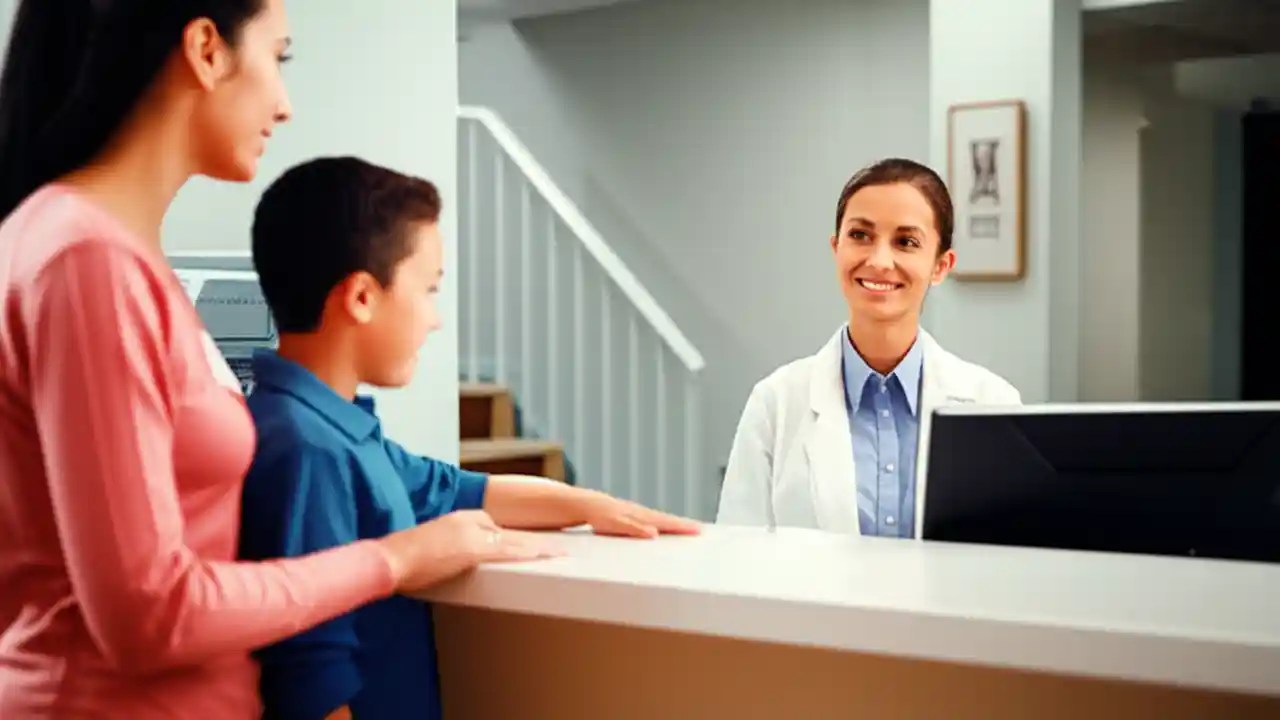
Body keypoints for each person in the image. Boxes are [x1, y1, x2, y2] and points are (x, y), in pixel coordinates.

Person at [0, 2, 692, 717]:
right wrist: (397, 560)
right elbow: (148, 614)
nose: (285, 104)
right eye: (280, 58)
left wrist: (591, 508)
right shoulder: (86, 260)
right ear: (207, 49)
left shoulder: (91, 251)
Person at [238, 156, 699, 720]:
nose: (434, 320)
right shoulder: (304, 448)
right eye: (429, 290)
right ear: (362, 297)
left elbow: (460, 490)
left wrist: (593, 505)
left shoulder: (338, 428)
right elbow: (311, 680)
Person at [716, 159, 1021, 535]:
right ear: (836, 247)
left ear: (941, 266)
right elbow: (737, 561)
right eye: (860, 236)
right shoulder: (775, 404)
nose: (878, 260)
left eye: (906, 242)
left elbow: (1011, 560)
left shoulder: (994, 403)